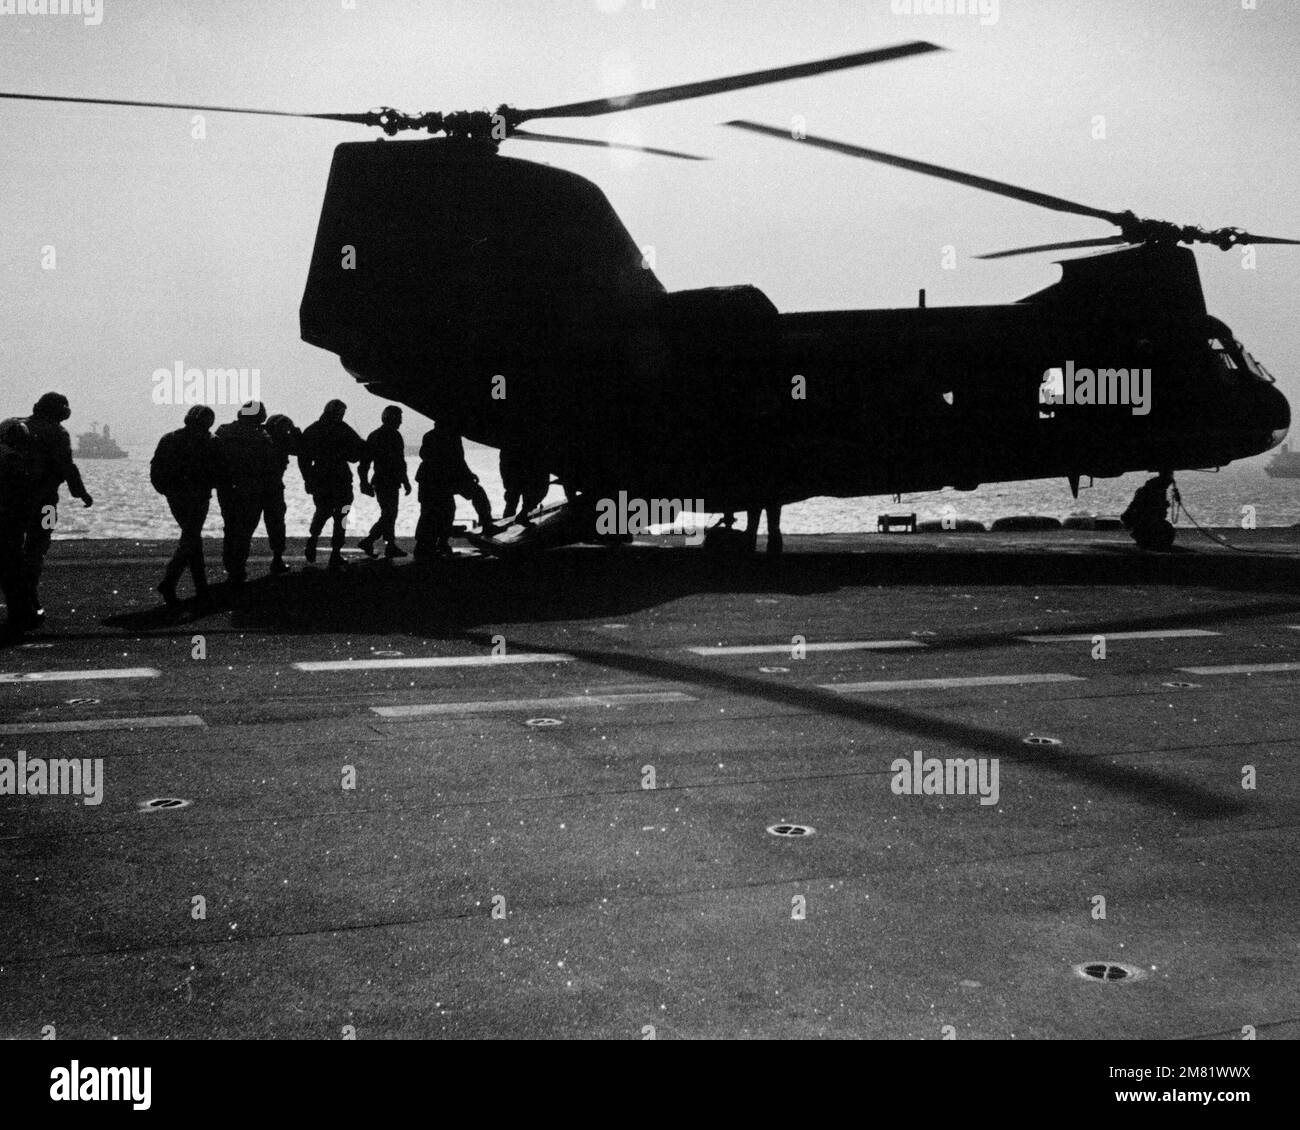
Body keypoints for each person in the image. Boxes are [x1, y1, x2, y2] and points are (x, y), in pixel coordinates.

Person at [0, 393, 93, 632]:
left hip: (9, 502)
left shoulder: (9, 424)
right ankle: (30, 601)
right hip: (46, 504)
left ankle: (18, 606)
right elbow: (67, 467)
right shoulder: (57, 433)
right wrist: (81, 493)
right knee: (37, 550)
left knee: (10, 553)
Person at [151, 405, 225, 606]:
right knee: (191, 539)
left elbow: (156, 471)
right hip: (198, 498)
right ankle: (172, 582)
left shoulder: (170, 439)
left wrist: (167, 491)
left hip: (178, 497)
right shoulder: (211, 442)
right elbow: (220, 472)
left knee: (192, 539)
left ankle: (200, 588)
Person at [298, 399, 367, 570]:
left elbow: (303, 458)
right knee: (342, 515)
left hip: (321, 479)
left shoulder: (313, 430)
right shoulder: (344, 430)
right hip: (340, 479)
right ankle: (335, 553)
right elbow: (355, 455)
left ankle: (313, 540)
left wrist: (308, 479)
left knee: (322, 512)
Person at [214, 401, 277, 586]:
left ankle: (231, 567)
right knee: (244, 532)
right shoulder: (261, 436)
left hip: (227, 490)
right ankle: (237, 569)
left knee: (230, 528)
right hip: (251, 490)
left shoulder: (223, 431)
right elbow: (269, 464)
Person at [414, 419, 496, 559]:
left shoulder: (436, 436)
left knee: (443, 511)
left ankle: (435, 544)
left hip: (441, 479)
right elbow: (455, 459)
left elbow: (457, 459)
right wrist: (465, 475)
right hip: (437, 479)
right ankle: (429, 545)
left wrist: (467, 474)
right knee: (437, 512)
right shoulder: (445, 436)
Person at [358, 405, 412, 559]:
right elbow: (400, 462)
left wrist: (364, 482)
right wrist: (406, 481)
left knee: (388, 514)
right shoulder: (395, 436)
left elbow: (364, 463)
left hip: (381, 481)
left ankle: (387, 544)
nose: (401, 422)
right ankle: (371, 541)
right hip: (389, 481)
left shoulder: (374, 435)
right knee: (389, 514)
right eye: (399, 418)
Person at [263, 413, 301, 575]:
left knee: (244, 527)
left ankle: (237, 567)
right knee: (277, 524)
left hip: (252, 488)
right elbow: (300, 448)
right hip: (273, 489)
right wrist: (295, 431)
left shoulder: (259, 437)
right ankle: (277, 559)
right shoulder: (283, 441)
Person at [1121, 471, 1176, 551]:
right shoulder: (1148, 493)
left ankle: (1146, 536)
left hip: (1146, 521)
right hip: (1145, 521)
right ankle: (1146, 536)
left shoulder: (1150, 491)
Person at [499, 443, 549, 522]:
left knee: (513, 499)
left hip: (514, 467)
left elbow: (504, 462)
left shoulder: (508, 445)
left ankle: (513, 517)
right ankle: (521, 515)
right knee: (515, 498)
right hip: (521, 466)